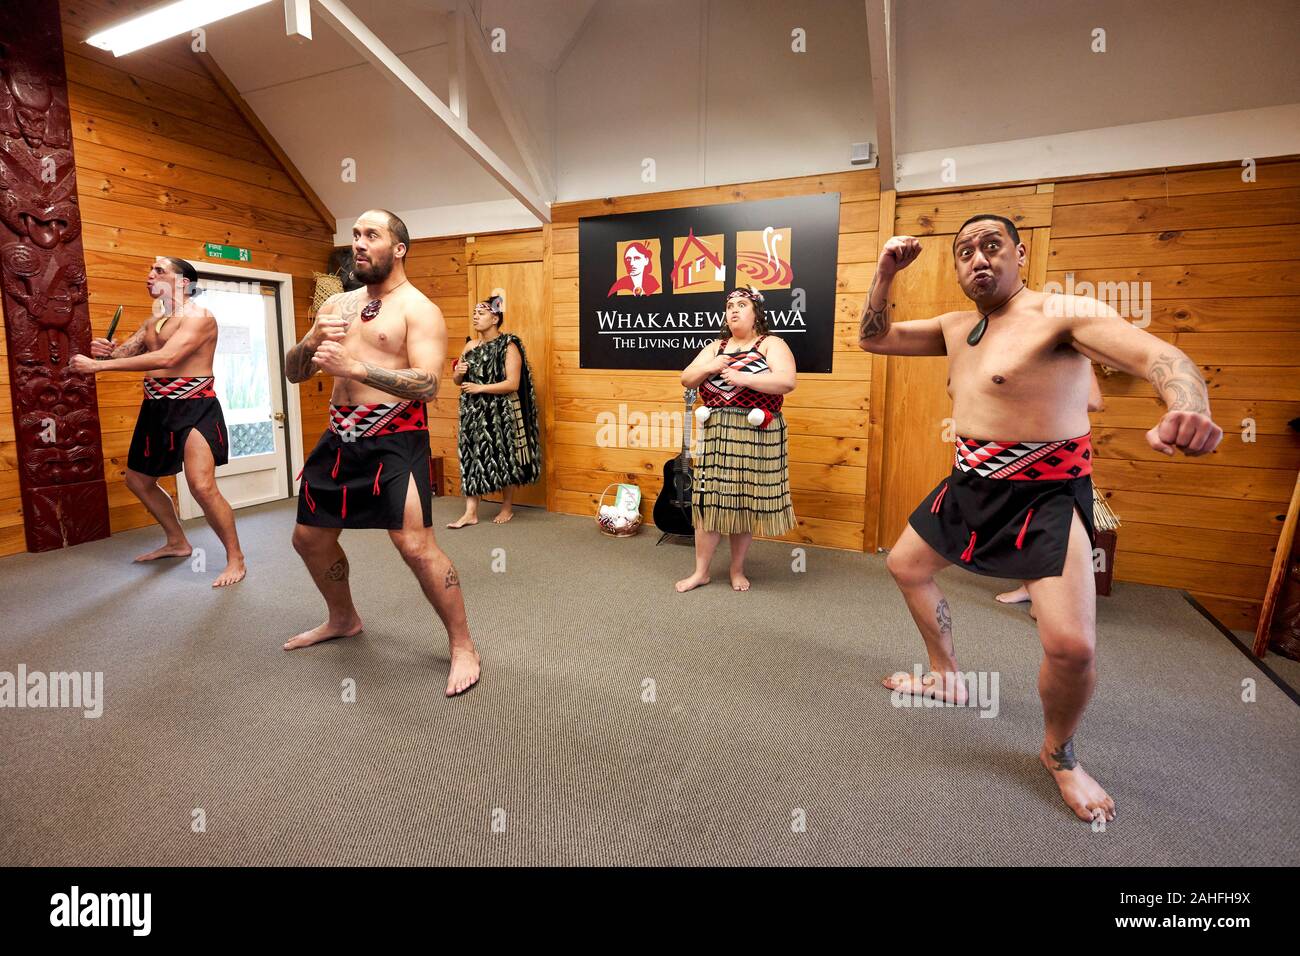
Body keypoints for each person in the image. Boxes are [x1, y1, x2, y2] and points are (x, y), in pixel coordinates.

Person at [858, 215, 1223, 823]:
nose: (979, 258)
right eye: (965, 251)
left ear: (1019, 253)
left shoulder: (1063, 315)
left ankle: (1059, 755)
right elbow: (873, 339)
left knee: (1072, 648)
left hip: (1046, 497)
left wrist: (1189, 405)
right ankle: (946, 675)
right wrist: (885, 271)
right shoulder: (955, 327)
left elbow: (1161, 356)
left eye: (992, 246)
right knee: (905, 566)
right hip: (969, 483)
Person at [282, 209, 480, 697]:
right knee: (309, 539)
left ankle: (463, 646)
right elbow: (294, 372)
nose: (359, 243)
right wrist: (308, 341)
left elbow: (429, 385)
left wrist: (358, 367)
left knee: (414, 546)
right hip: (339, 439)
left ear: (399, 248)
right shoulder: (339, 305)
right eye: (355, 235)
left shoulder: (419, 308)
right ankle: (343, 617)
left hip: (395, 439)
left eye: (372, 235)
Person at [70, 257, 246, 587]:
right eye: (149, 268)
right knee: (138, 480)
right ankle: (178, 542)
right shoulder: (154, 321)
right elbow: (123, 355)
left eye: (159, 270)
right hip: (156, 409)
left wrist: (98, 367)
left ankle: (235, 557)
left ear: (182, 282)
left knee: (201, 486)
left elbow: (167, 358)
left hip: (196, 408)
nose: (149, 275)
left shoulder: (199, 317)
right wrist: (104, 352)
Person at [676, 285, 796, 593]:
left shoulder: (771, 343)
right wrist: (710, 366)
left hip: (756, 432)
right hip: (717, 432)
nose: (734, 310)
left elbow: (786, 381)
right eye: (730, 305)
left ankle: (736, 569)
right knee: (709, 499)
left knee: (743, 501)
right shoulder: (715, 348)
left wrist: (746, 378)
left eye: (742, 304)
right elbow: (687, 378)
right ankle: (700, 571)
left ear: (756, 313)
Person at [995, 367, 1104, 608]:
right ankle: (1029, 587)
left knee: (1056, 530)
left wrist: (1042, 398)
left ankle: (1053, 597)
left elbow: (1094, 401)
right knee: (1022, 524)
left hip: (1059, 458)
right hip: (1020, 453)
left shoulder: (1076, 358)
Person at [447, 295, 541, 528]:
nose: (476, 317)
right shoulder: (470, 346)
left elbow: (513, 384)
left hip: (501, 412)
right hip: (472, 411)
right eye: (475, 314)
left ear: (495, 318)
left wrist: (481, 388)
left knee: (504, 456)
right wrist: (458, 372)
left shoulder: (508, 345)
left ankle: (507, 507)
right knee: (471, 455)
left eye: (482, 313)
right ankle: (471, 512)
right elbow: (458, 381)